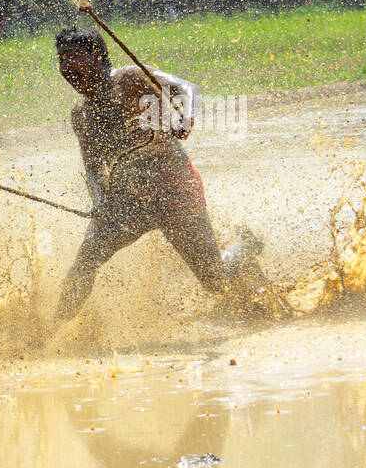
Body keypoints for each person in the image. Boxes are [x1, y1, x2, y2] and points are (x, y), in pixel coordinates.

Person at [52, 26, 262, 321]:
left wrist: (186, 116)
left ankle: (245, 245)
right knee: (84, 264)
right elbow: (93, 167)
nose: (66, 67)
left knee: (217, 281)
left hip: (174, 189)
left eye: (73, 56)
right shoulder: (81, 115)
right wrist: (100, 203)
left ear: (97, 55)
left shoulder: (131, 79)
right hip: (127, 201)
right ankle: (48, 335)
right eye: (61, 59)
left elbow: (188, 89)